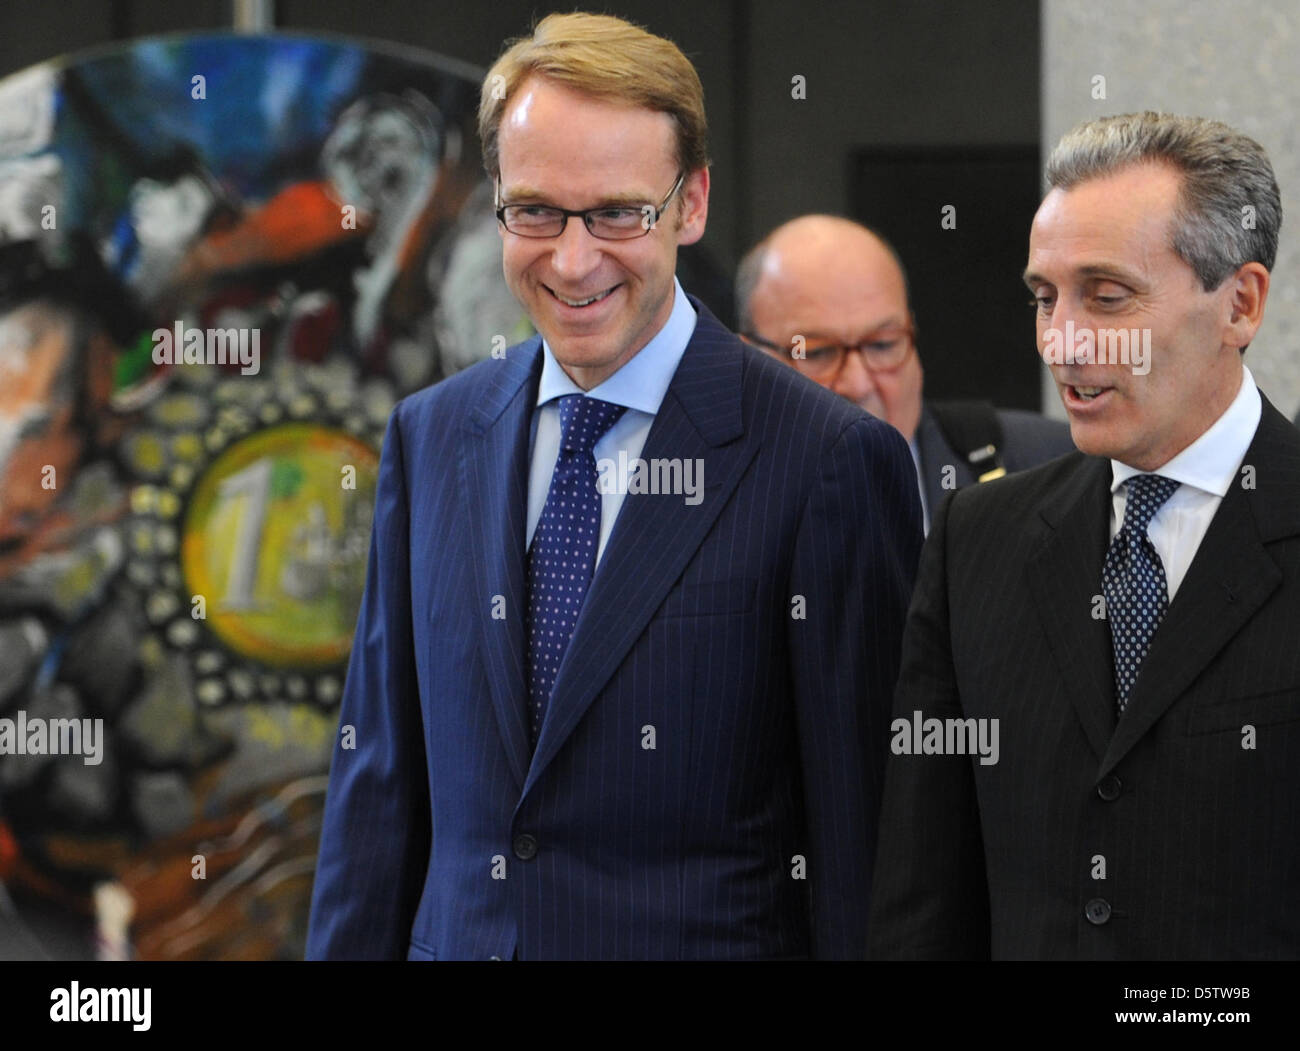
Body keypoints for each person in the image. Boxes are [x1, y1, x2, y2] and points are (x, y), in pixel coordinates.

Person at [306, 12, 923, 961]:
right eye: (537, 211)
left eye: (618, 214)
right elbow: (377, 790)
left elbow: (863, 848)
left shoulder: (827, 459)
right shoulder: (432, 437)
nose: (573, 258)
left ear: (694, 203)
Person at [868, 111, 1296, 959]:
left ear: (1239, 304)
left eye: (1108, 296)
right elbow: (923, 899)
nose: (1061, 340)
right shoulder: (975, 539)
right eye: (1044, 297)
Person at [736, 215, 1073, 531]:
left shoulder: (1055, 466)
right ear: (745, 357)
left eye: (882, 345)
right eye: (816, 352)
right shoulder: (698, 498)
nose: (857, 383)